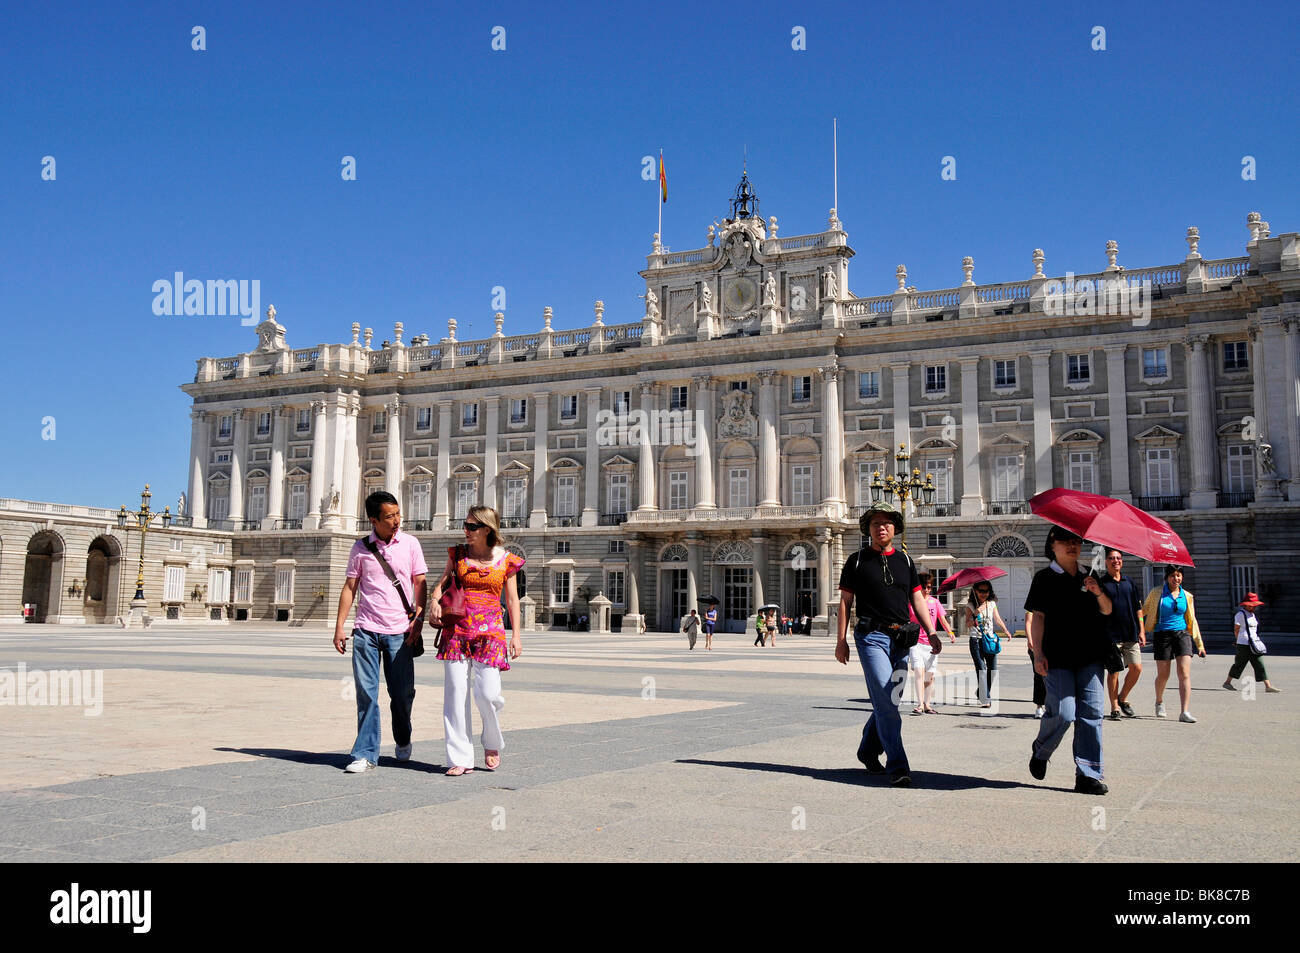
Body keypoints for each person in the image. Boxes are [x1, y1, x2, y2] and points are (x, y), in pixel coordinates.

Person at [834, 504, 938, 787]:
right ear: (868, 529)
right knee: (886, 701)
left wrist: (932, 630)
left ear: (895, 528)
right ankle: (898, 766)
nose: (882, 527)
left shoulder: (905, 561)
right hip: (871, 638)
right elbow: (845, 602)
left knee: (888, 701)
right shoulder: (856, 561)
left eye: (887, 523)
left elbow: (917, 599)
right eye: (876, 523)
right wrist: (840, 640)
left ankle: (868, 749)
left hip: (901, 640)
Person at [332, 491, 427, 774]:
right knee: (367, 694)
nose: (397, 520)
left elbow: (419, 582)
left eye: (398, 514)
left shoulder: (410, 544)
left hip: (400, 631)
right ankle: (365, 753)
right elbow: (350, 587)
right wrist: (340, 626)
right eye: (390, 516)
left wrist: (418, 621)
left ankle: (403, 736)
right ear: (374, 520)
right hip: (366, 630)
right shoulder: (360, 548)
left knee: (401, 695)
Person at [429, 506, 523, 775]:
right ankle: (460, 758)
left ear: (486, 529)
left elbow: (513, 600)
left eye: (471, 526)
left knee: (488, 694)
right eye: (465, 525)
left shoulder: (506, 560)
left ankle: (491, 741)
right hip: (457, 631)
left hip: (491, 633)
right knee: (456, 695)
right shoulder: (457, 554)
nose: (465, 531)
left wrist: (515, 635)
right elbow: (442, 584)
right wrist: (435, 600)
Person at [1025, 525, 1114, 795]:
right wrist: (1038, 653)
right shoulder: (1044, 578)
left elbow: (1107, 610)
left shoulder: (1091, 574)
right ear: (1052, 545)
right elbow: (1038, 617)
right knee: (1064, 713)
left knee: (1091, 715)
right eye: (1065, 540)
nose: (1072, 545)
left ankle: (1088, 774)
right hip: (1057, 658)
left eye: (1076, 540)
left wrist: (1097, 591)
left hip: (1091, 656)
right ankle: (1041, 749)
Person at [1141, 565, 1204, 723]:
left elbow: (1192, 620)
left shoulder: (1187, 596)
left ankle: (1185, 711)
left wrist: (1200, 645)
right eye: (1173, 576)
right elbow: (1143, 611)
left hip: (1182, 634)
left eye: (1179, 575)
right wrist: (1140, 628)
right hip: (1162, 635)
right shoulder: (1157, 593)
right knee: (1164, 675)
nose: (1176, 579)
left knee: (1184, 673)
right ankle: (1159, 701)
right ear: (1167, 577)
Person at [1098, 549, 1145, 720]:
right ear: (1106, 562)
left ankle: (1122, 697)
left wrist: (1142, 630)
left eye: (1118, 558)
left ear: (1122, 561)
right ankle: (1114, 707)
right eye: (1111, 558)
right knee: (1114, 671)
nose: (1115, 561)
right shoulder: (1101, 583)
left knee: (1137, 668)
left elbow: (1138, 608)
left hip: (1130, 632)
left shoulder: (1130, 582)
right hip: (1110, 635)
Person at [907, 572, 954, 714]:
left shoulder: (935, 602)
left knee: (930, 675)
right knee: (919, 672)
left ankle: (927, 704)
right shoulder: (911, 603)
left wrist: (950, 633)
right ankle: (920, 704)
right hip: (915, 642)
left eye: (929, 587)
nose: (927, 590)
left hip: (931, 643)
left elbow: (942, 620)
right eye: (924, 587)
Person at [965, 581, 1012, 708]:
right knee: (981, 669)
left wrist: (1005, 630)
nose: (984, 594)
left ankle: (981, 692)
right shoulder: (970, 605)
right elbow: (967, 624)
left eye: (986, 591)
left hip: (990, 639)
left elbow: (997, 618)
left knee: (993, 670)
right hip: (976, 640)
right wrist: (975, 613)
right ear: (975, 591)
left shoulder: (991, 604)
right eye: (981, 591)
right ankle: (986, 699)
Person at [1223, 592, 1281, 693]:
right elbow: (1236, 629)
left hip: (1254, 643)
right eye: (1251, 605)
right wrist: (1237, 640)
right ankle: (1227, 683)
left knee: (1259, 664)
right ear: (1246, 604)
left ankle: (1268, 686)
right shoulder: (1240, 614)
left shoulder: (1252, 614)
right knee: (1239, 664)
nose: (1254, 607)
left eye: (1254, 605)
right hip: (1244, 644)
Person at [1025, 610, 1047, 718]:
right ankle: (1039, 706)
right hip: (1037, 646)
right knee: (1039, 675)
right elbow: (1028, 622)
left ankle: (1050, 705)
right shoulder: (1034, 602)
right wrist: (1030, 640)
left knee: (1052, 676)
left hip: (1050, 644)